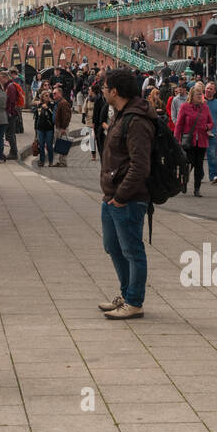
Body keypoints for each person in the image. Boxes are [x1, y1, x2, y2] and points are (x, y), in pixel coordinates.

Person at [98, 68, 158, 320]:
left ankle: (135, 301)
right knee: (112, 246)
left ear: (114, 91)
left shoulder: (137, 120)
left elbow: (140, 165)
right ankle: (126, 293)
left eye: (104, 87)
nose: (102, 91)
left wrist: (121, 196)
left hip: (128, 199)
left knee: (132, 250)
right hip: (112, 196)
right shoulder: (121, 115)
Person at [174, 82, 213, 197]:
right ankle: (184, 181)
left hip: (201, 140)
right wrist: (176, 140)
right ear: (192, 95)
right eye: (198, 95)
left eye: (201, 94)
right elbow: (179, 124)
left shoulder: (205, 107)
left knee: (199, 166)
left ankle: (197, 188)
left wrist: (207, 127)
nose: (201, 96)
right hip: (188, 141)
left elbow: (211, 122)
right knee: (188, 163)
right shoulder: (185, 107)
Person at [0, 70, 24, 160]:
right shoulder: (8, 86)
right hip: (11, 113)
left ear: (5, 78)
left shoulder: (10, 87)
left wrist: (9, 113)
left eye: (0, 78)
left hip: (11, 114)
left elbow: (11, 101)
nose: (0, 81)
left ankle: (14, 152)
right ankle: (13, 151)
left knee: (10, 134)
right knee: (10, 134)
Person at [33, 88, 57, 168]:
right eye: (46, 96)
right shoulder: (39, 105)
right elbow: (37, 117)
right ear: (42, 97)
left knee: (49, 145)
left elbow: (53, 115)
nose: (47, 97)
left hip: (49, 128)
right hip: (40, 128)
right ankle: (42, 161)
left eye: (48, 96)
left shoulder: (52, 105)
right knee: (41, 145)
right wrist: (35, 128)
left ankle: (50, 161)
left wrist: (48, 108)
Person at [51, 85, 73, 167]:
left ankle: (63, 162)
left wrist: (63, 128)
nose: (53, 95)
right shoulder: (58, 102)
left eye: (55, 93)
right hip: (58, 126)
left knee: (63, 144)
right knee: (60, 144)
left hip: (62, 128)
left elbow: (67, 116)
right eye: (53, 93)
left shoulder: (63, 103)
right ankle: (61, 161)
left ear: (60, 94)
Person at [89, 81, 109, 161]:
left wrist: (94, 123)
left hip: (99, 125)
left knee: (101, 146)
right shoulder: (98, 98)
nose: (89, 91)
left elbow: (96, 113)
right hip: (100, 124)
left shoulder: (99, 99)